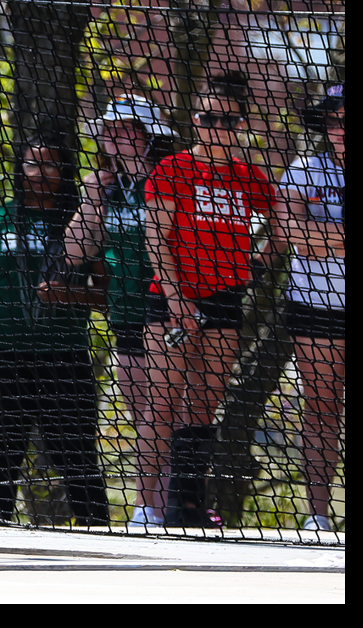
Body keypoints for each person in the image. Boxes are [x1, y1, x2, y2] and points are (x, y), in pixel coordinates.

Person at [0, 136, 108, 526]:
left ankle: (100, 535)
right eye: (32, 164)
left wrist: (69, 295)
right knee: (3, 454)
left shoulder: (81, 222)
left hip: (64, 358)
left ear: (65, 172)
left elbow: (107, 294)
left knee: (78, 455)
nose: (39, 173)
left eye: (50, 164)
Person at [141, 71, 277, 528]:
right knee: (162, 400)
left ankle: (188, 504)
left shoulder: (249, 178)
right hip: (170, 302)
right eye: (204, 116)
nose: (211, 125)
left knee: (202, 404)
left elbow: (282, 224)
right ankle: (146, 506)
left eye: (222, 119)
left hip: (224, 302)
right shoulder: (173, 168)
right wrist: (178, 299)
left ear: (238, 125)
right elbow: (156, 238)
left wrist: (256, 260)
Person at [64, 95, 178, 526]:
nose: (114, 136)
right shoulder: (110, 188)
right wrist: (92, 196)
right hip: (124, 309)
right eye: (110, 130)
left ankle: (158, 506)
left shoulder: (169, 179)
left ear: (149, 137)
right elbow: (75, 252)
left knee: (167, 410)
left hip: (169, 307)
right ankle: (155, 505)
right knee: (142, 412)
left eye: (127, 128)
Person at [274, 83, 345, 531]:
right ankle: (317, 516)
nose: (342, 129)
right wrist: (316, 237)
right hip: (315, 307)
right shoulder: (303, 169)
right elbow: (291, 236)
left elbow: (313, 236)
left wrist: (323, 237)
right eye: (336, 120)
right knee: (320, 407)